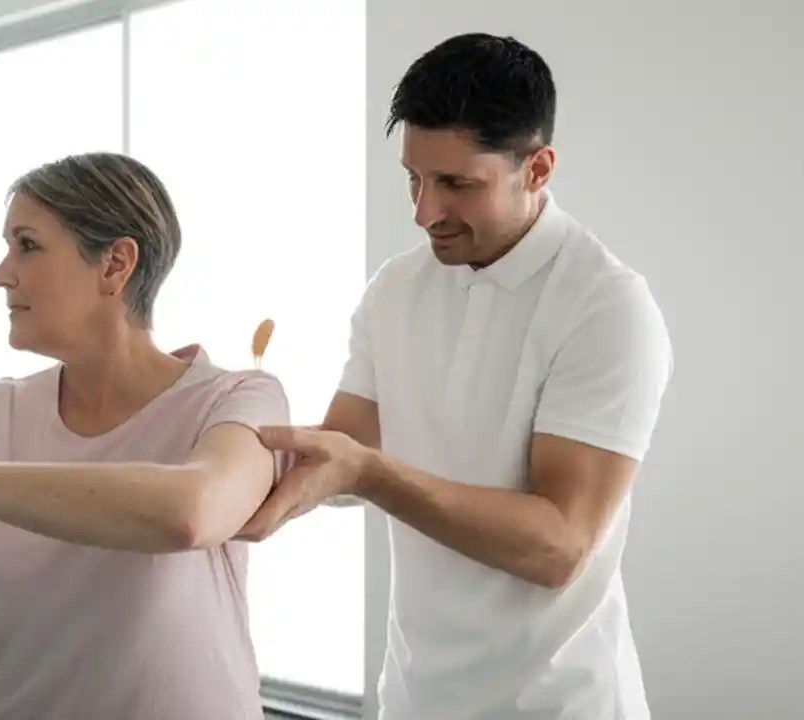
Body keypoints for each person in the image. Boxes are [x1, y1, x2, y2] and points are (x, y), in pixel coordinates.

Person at [238, 33, 674, 719]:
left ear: (538, 168)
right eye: (413, 177)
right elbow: (341, 452)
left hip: (560, 705)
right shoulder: (396, 290)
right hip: (415, 700)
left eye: (455, 184)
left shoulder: (605, 305)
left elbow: (558, 546)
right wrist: (219, 435)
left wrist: (370, 473)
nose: (423, 212)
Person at [0, 152, 288, 720]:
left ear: (115, 264)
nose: (2, 272)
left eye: (27, 245)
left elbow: (191, 513)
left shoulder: (236, 403)